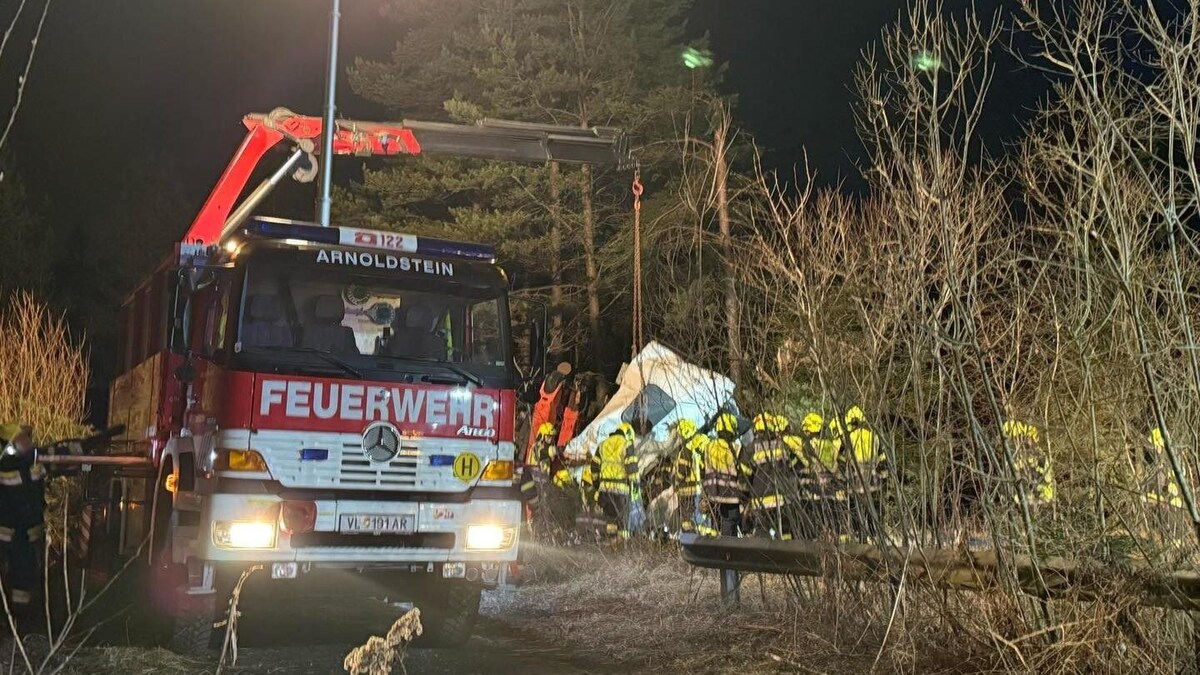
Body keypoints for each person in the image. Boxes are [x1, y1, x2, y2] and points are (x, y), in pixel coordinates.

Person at [0, 422, 45, 613]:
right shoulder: (14, 465)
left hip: (21, 531)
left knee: (23, 571)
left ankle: (17, 613)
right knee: (22, 571)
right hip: (18, 530)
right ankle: (18, 614)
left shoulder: (29, 463)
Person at [741, 413, 799, 540]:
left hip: (760, 501)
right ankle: (787, 552)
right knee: (785, 533)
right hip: (782, 499)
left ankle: (763, 553)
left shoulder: (751, 449)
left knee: (762, 533)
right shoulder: (783, 445)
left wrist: (744, 498)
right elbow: (794, 467)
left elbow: (744, 478)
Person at [837, 406, 888, 542]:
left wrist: (842, 482)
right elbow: (883, 460)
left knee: (856, 513)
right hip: (873, 482)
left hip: (854, 482)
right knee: (874, 512)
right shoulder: (873, 437)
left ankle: (860, 539)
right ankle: (875, 540)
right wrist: (884, 479)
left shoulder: (846, 439)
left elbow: (840, 461)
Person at [588, 423, 640, 540]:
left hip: (604, 491)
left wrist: (597, 485)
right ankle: (621, 545)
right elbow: (632, 469)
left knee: (609, 521)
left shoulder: (603, 444)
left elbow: (594, 467)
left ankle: (608, 542)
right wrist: (635, 487)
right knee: (622, 523)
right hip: (621, 492)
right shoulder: (626, 444)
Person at [697, 413, 744, 537]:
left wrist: (705, 493)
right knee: (729, 531)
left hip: (712, 496)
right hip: (731, 498)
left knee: (716, 529)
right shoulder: (736, 449)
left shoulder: (707, 448)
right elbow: (742, 474)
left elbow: (702, 471)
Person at [1002, 420, 1054, 510]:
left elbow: (1045, 479)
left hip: (1040, 499)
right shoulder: (1015, 455)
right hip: (1023, 501)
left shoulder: (1039, 455)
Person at [672, 419, 707, 534]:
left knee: (686, 519)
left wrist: (676, 481)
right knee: (698, 517)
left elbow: (682, 471)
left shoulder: (686, 450)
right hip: (697, 488)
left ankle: (689, 539)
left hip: (686, 491)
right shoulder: (697, 448)